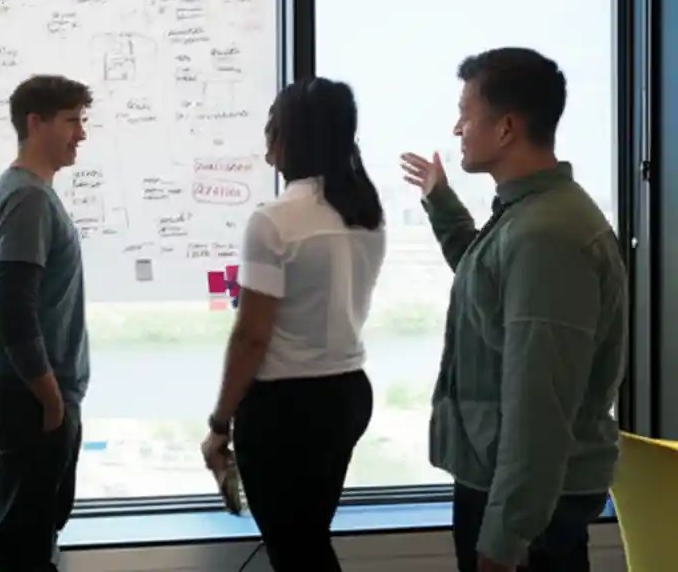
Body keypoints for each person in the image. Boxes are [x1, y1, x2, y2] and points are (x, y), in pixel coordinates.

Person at [399, 47, 626, 572]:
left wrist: (505, 538)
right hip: (513, 486)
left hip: (527, 501)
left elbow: (539, 404)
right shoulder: (529, 216)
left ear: (506, 128)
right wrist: (441, 201)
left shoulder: (547, 234)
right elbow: (486, 287)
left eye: (466, 113)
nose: (457, 128)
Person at [200, 77, 387, 571]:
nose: (267, 136)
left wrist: (219, 424)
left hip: (286, 410)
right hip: (347, 395)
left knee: (297, 552)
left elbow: (252, 336)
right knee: (307, 542)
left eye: (272, 125)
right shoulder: (367, 215)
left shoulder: (275, 221)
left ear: (290, 136)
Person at [0, 74, 93, 571]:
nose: (80, 134)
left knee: (30, 539)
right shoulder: (29, 199)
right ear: (35, 123)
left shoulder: (28, 192)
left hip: (27, 395)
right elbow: (13, 309)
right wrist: (50, 399)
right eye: (71, 121)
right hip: (28, 398)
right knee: (21, 552)